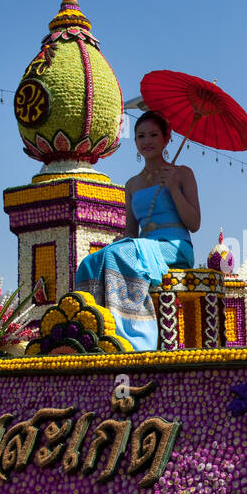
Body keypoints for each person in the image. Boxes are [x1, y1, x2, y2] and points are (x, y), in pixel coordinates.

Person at [74, 110, 200, 350]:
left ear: (166, 138)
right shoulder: (132, 184)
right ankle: (96, 331)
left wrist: (173, 188)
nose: (147, 141)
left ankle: (134, 338)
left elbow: (194, 223)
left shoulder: (182, 173)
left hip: (175, 246)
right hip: (143, 246)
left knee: (116, 255)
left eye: (153, 134)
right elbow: (131, 232)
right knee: (92, 261)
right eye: (141, 136)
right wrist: (119, 241)